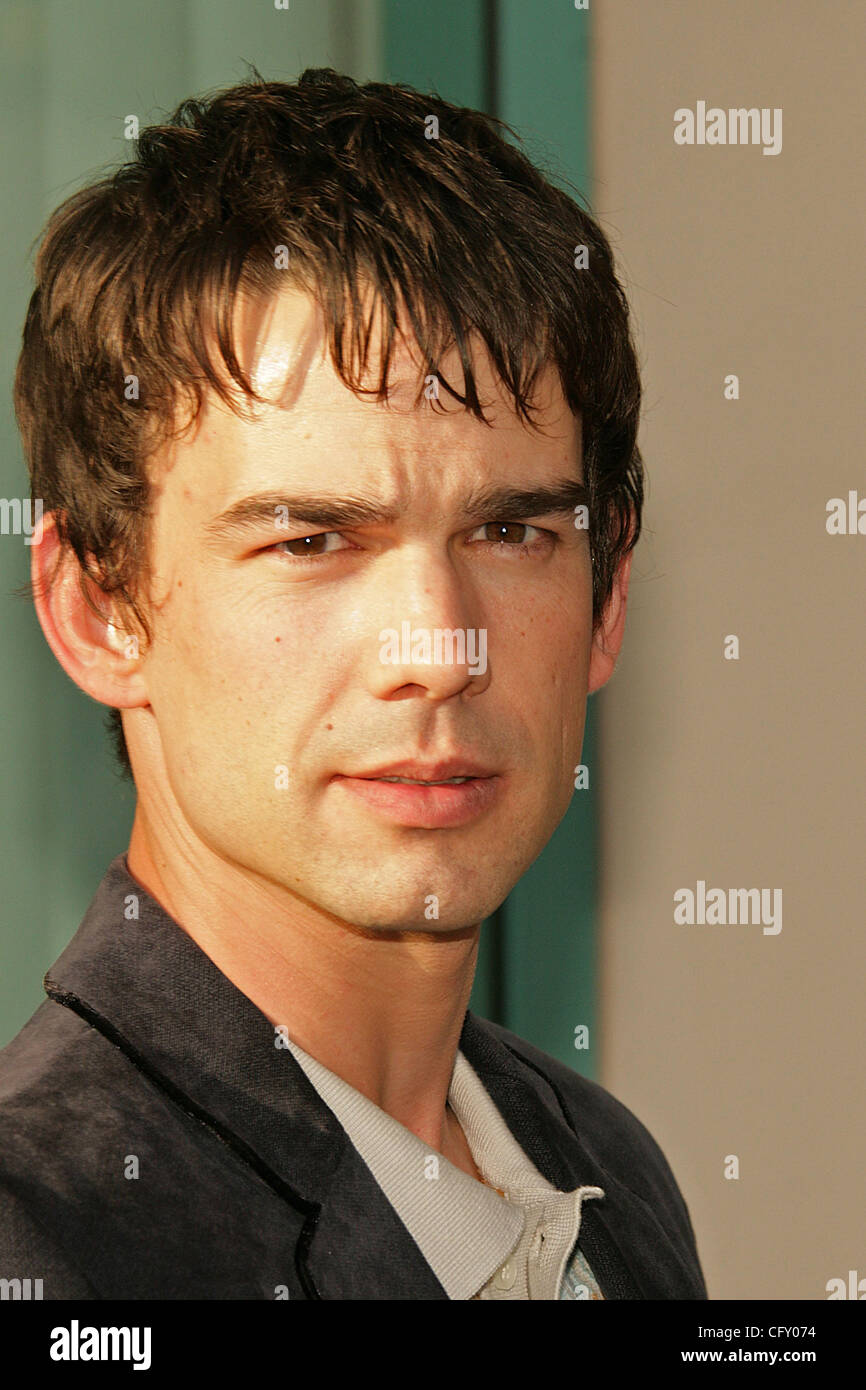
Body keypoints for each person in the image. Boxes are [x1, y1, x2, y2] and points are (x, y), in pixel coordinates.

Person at [0, 68, 706, 1300]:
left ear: (607, 597)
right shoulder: (47, 1244)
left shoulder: (611, 1177)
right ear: (97, 605)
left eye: (512, 533)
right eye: (311, 541)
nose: (439, 649)